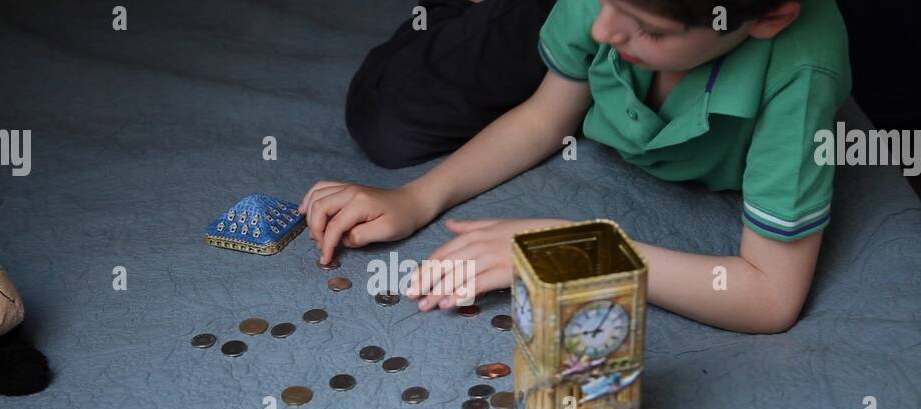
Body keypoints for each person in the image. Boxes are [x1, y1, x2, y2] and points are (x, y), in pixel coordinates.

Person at [299, 0, 851, 334]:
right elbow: (546, 114)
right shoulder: (599, 13)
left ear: (770, 18)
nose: (605, 31)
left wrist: (575, 249)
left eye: (648, 28)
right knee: (386, 118)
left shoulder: (801, 78)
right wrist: (417, 197)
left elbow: (770, 296)